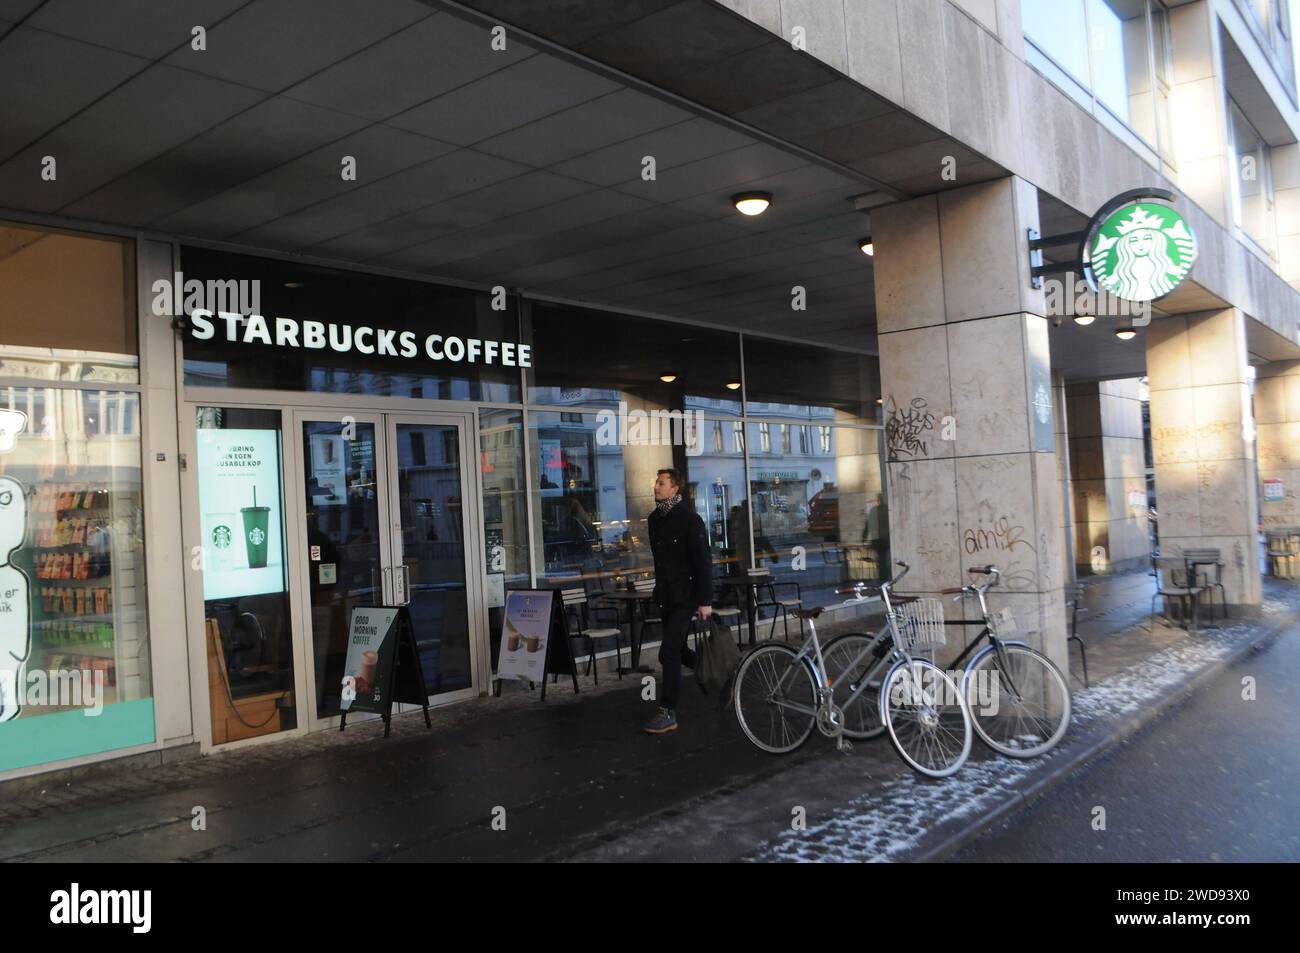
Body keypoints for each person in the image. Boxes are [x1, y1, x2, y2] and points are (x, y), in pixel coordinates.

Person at [643, 468, 712, 734]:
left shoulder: (690, 520)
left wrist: (704, 600)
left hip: (687, 597)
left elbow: (703, 562)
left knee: (668, 651)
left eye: (661, 483)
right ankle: (722, 677)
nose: (656, 487)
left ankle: (667, 711)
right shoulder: (654, 520)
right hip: (666, 597)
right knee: (680, 651)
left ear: (675, 489)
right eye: (656, 482)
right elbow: (661, 563)